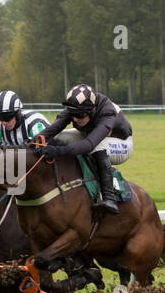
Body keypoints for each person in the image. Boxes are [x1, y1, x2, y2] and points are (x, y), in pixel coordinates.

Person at [36, 84, 133, 215]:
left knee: (97, 147)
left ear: (92, 109)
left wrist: (57, 151)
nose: (75, 119)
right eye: (73, 114)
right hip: (92, 136)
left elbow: (88, 145)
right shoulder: (76, 107)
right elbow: (54, 129)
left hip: (122, 143)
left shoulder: (107, 112)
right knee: (59, 137)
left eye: (80, 115)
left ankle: (109, 198)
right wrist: (32, 141)